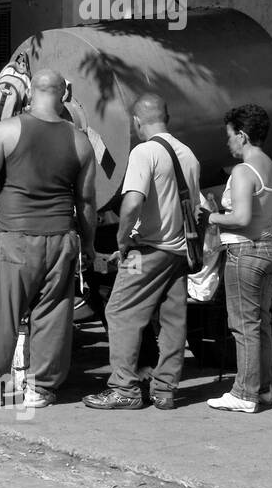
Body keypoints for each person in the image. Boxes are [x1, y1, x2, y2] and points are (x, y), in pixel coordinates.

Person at [0, 70, 97, 408]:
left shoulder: (8, 129)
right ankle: (41, 389)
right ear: (66, 94)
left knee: (0, 312)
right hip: (60, 238)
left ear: (29, 91)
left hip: (14, 236)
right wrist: (86, 245)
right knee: (55, 313)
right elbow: (86, 202)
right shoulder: (80, 140)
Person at [84, 94, 200, 411]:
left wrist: (123, 243)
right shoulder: (188, 155)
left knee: (119, 312)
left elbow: (133, 202)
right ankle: (165, 390)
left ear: (137, 122)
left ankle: (125, 389)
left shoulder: (144, 152)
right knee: (173, 322)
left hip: (143, 251)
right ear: (168, 116)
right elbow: (196, 208)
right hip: (177, 252)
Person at [206, 104, 272, 413]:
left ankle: (244, 393)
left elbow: (240, 217)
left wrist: (211, 215)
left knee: (243, 326)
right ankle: (263, 388)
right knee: (260, 323)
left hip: (247, 250)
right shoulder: (271, 166)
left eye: (229, 136)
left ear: (242, 135)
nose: (227, 143)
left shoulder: (243, 170)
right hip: (270, 247)